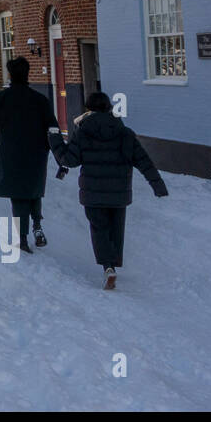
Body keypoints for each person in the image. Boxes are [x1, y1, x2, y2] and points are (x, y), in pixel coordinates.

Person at [50, 91, 168, 290]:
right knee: (116, 229)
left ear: (89, 109)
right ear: (109, 108)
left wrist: (55, 141)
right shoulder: (124, 133)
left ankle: (108, 267)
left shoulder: (84, 132)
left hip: (93, 192)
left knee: (99, 229)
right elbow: (143, 161)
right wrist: (158, 185)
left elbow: (69, 160)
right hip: (119, 191)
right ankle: (112, 264)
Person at [0, 56, 59, 253]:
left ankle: (22, 238)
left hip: (10, 151)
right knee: (33, 189)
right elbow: (53, 128)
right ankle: (37, 225)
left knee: (18, 195)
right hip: (36, 151)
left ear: (10, 74)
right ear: (28, 73)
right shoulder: (40, 100)